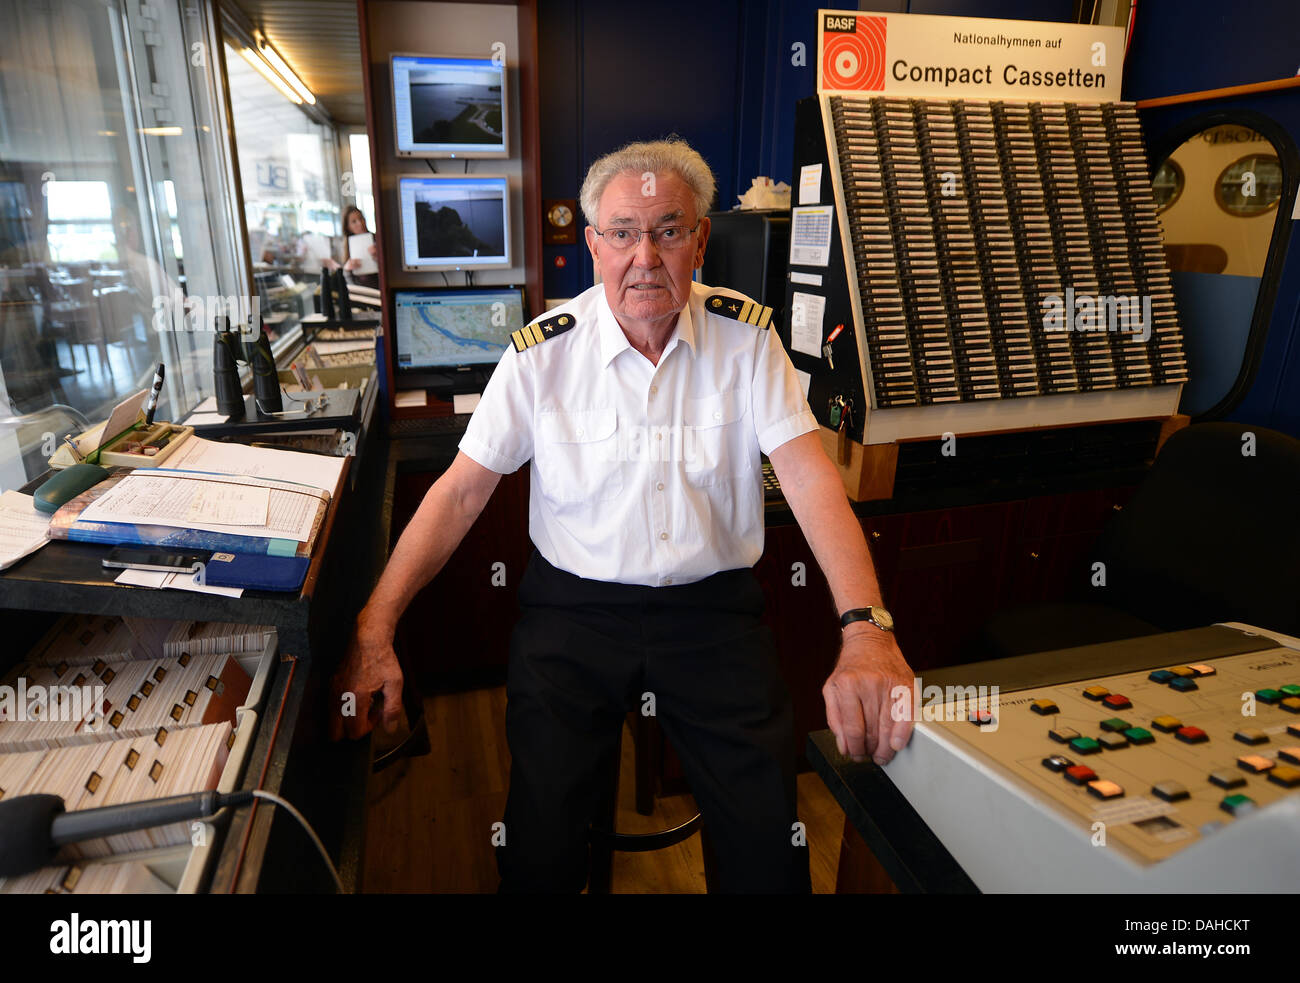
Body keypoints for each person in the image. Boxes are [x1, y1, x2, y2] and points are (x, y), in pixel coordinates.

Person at [331, 137, 915, 893]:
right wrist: (375, 627)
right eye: (622, 233)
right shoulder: (542, 354)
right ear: (592, 243)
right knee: (539, 844)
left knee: (770, 843)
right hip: (575, 613)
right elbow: (460, 491)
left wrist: (866, 627)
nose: (645, 256)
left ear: (700, 239)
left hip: (713, 618)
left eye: (669, 231)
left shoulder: (748, 339)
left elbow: (809, 478)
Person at [322, 205, 379, 289]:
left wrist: (379, 259)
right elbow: (349, 285)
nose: (360, 223)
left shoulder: (378, 240)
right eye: (354, 221)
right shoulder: (346, 248)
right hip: (363, 294)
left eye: (361, 218)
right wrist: (347, 270)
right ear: (348, 227)